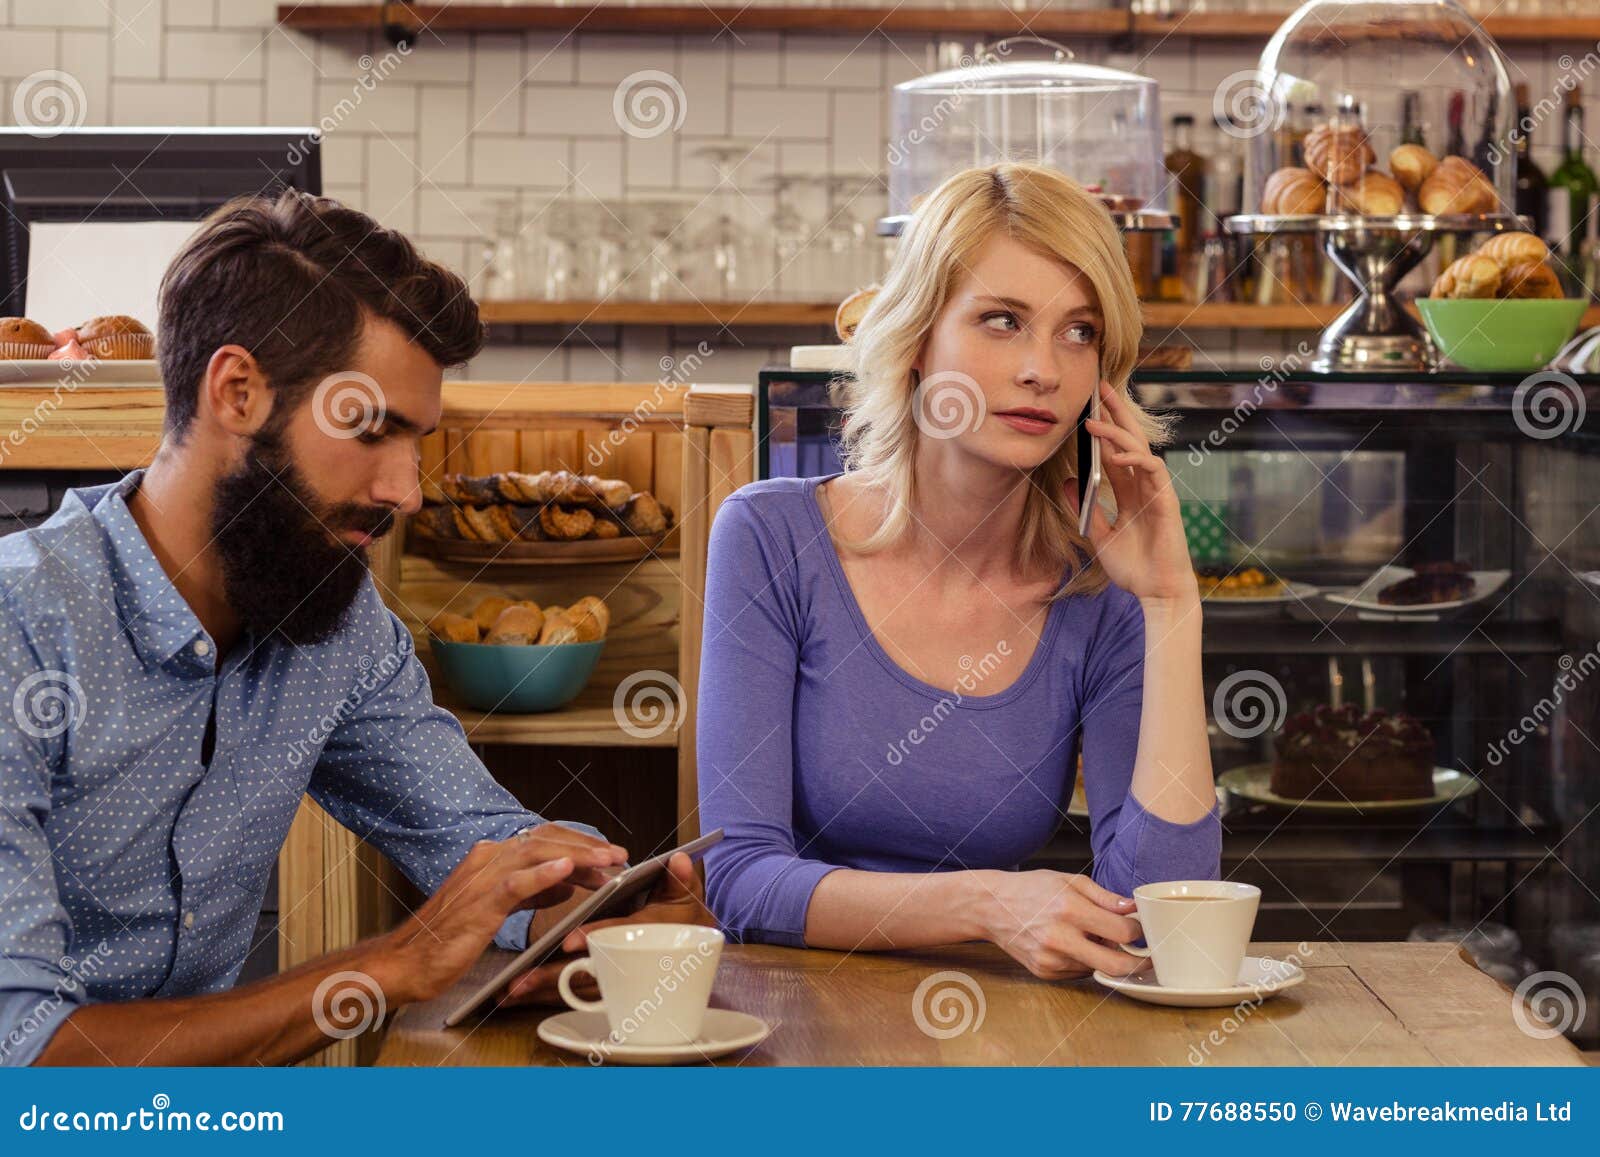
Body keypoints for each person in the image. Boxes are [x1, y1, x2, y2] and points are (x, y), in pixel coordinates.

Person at [0, 190, 702, 1067]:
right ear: (236, 391)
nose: (407, 490)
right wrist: (396, 963)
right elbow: (23, 1059)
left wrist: (606, 907)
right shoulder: (20, 626)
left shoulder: (331, 617)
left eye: (419, 442)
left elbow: (478, 839)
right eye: (371, 429)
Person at [696, 163, 1221, 980]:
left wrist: (1172, 603)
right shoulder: (770, 536)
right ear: (915, 338)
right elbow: (737, 878)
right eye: (1002, 320)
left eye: (1079, 332)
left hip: (1003, 1036)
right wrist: (985, 903)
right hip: (790, 1022)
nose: (1043, 369)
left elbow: (1160, 914)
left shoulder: (1100, 594)